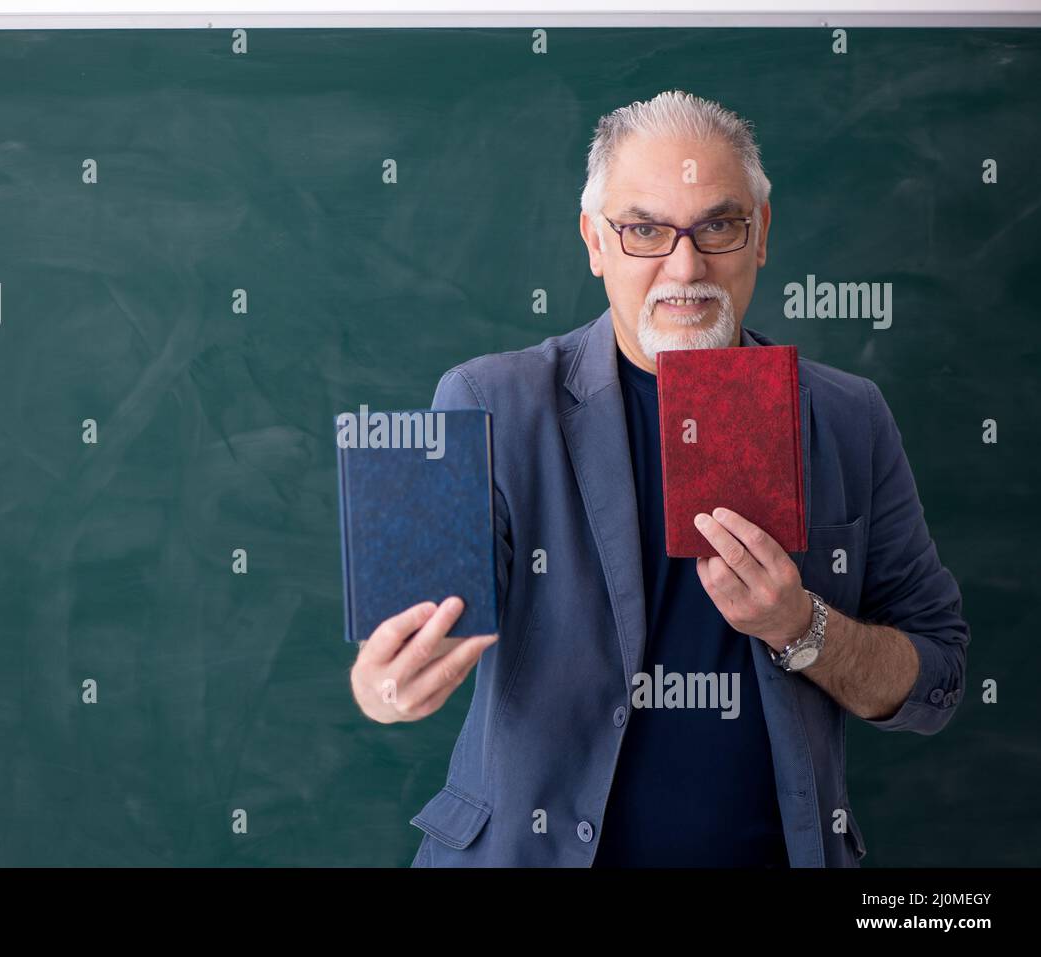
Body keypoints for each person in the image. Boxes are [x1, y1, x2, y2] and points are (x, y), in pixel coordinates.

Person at [348, 89, 970, 867]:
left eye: (718, 224)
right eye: (644, 229)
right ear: (595, 242)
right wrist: (385, 689)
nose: (685, 265)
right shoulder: (484, 401)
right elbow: (399, 652)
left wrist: (800, 627)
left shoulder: (850, 417)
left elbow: (937, 678)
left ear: (761, 235)